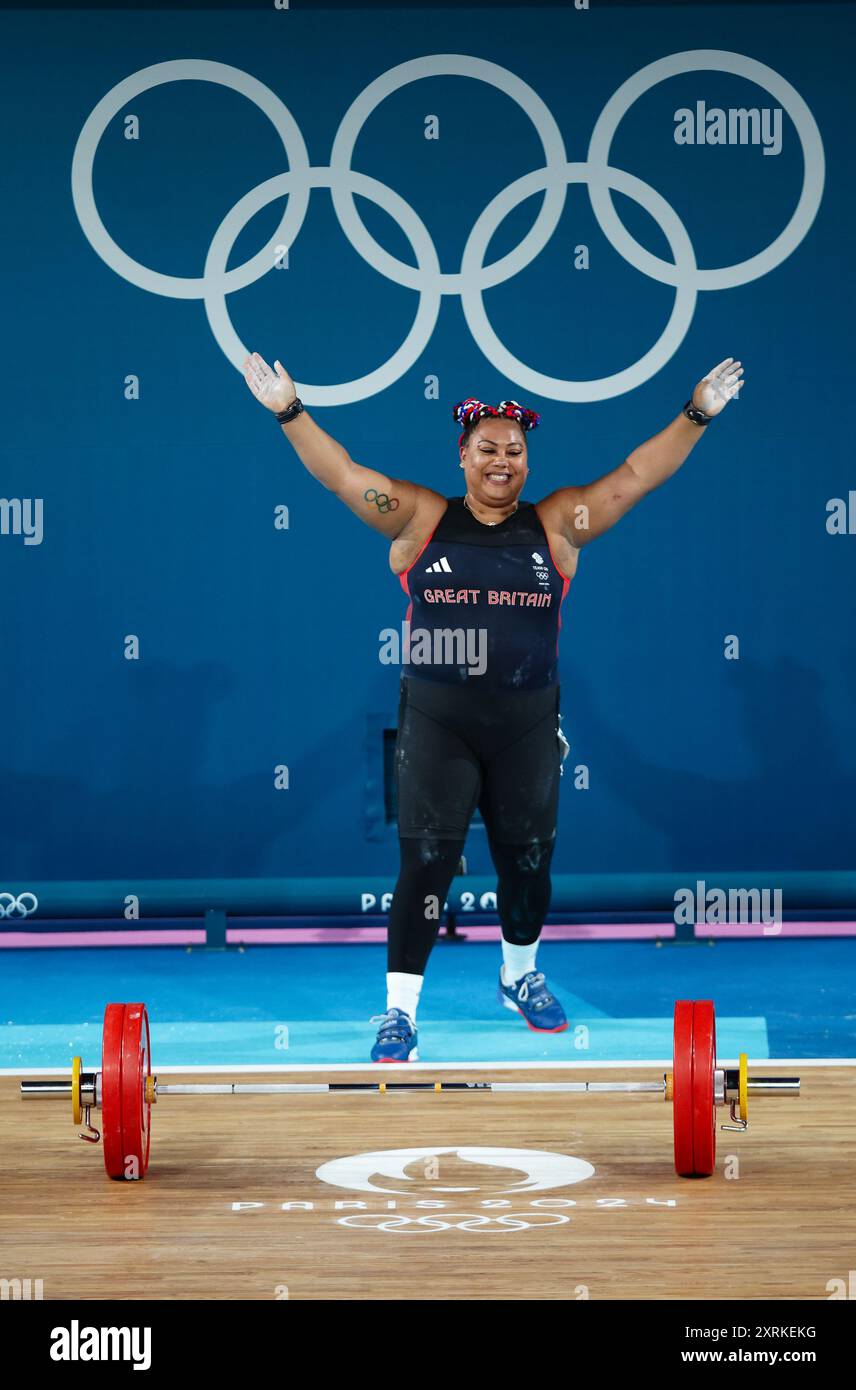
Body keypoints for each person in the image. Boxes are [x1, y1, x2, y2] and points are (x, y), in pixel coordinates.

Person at [242, 355, 745, 1061]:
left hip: (527, 725)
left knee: (530, 865)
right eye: (488, 450)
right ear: (464, 455)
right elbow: (342, 475)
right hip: (438, 722)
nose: (502, 461)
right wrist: (289, 411)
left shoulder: (557, 526)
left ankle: (519, 975)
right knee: (425, 864)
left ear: (527, 460)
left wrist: (695, 415)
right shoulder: (420, 519)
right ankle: (400, 1013)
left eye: (514, 450)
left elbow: (635, 477)